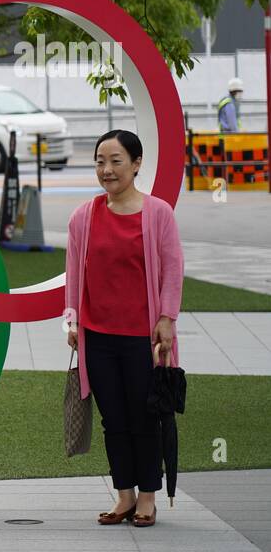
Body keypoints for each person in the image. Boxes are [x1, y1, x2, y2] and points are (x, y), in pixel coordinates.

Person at [65, 129, 183, 529]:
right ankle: (124, 496)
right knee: (112, 419)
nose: (106, 169)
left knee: (144, 417)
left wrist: (167, 318)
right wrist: (73, 321)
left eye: (116, 161)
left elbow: (172, 270)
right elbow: (73, 274)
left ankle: (148, 497)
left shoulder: (158, 214)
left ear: (136, 164)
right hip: (97, 337)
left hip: (143, 339)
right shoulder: (84, 215)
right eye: (100, 160)